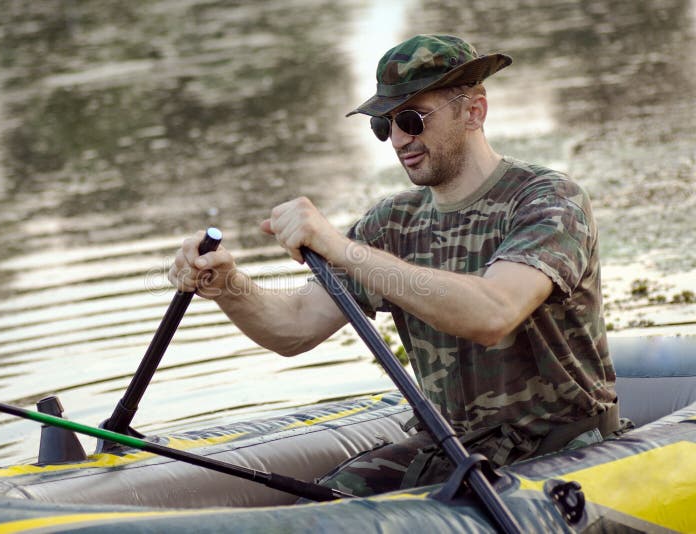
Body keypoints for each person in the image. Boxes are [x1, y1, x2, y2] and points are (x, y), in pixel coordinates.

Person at [168, 34, 620, 496]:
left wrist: (341, 248)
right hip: (454, 445)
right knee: (323, 507)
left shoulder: (547, 200)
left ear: (474, 112)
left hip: (563, 443)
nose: (400, 139)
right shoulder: (391, 224)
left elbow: (494, 313)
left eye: (412, 119)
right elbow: (295, 327)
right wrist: (228, 285)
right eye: (385, 125)